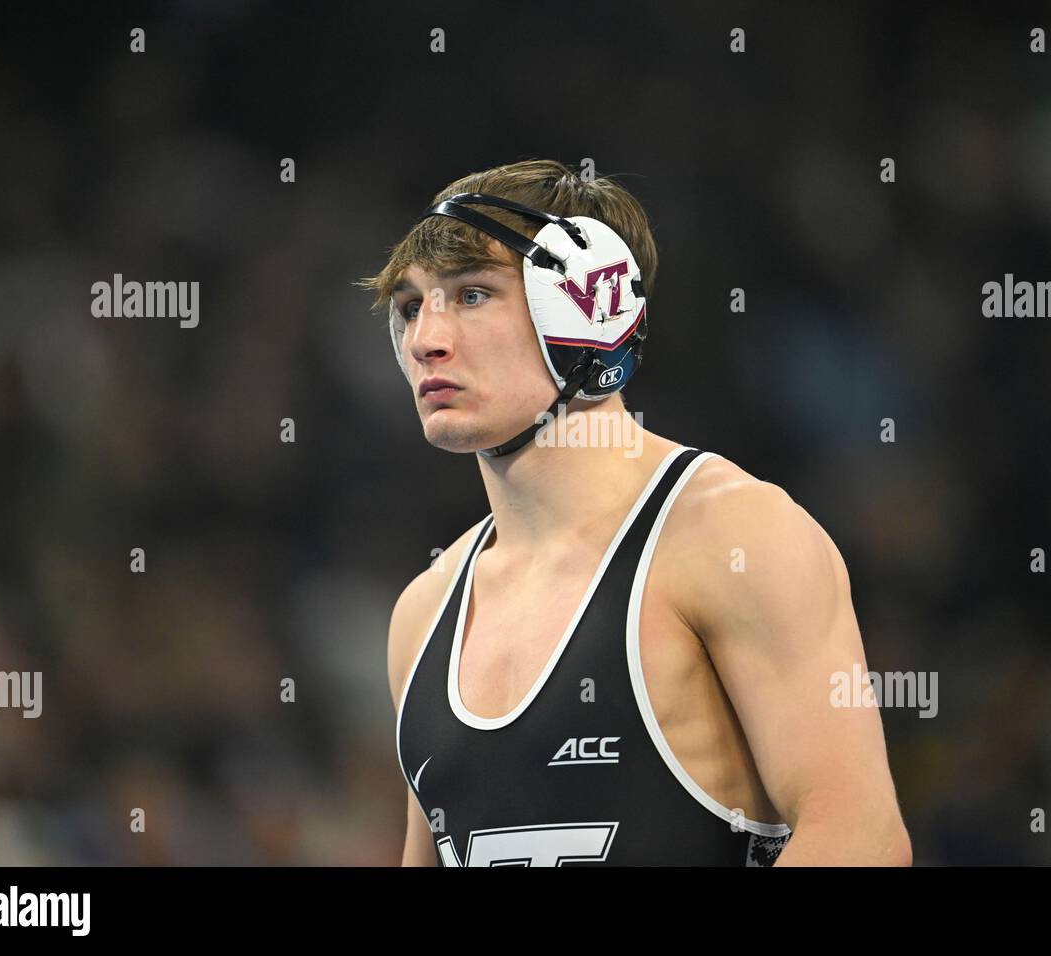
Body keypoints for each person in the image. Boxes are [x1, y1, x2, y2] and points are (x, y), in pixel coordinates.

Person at [363, 158, 911, 866]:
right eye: (411, 307)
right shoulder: (424, 613)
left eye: (471, 296)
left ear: (589, 310)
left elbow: (859, 839)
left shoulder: (731, 536)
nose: (423, 340)